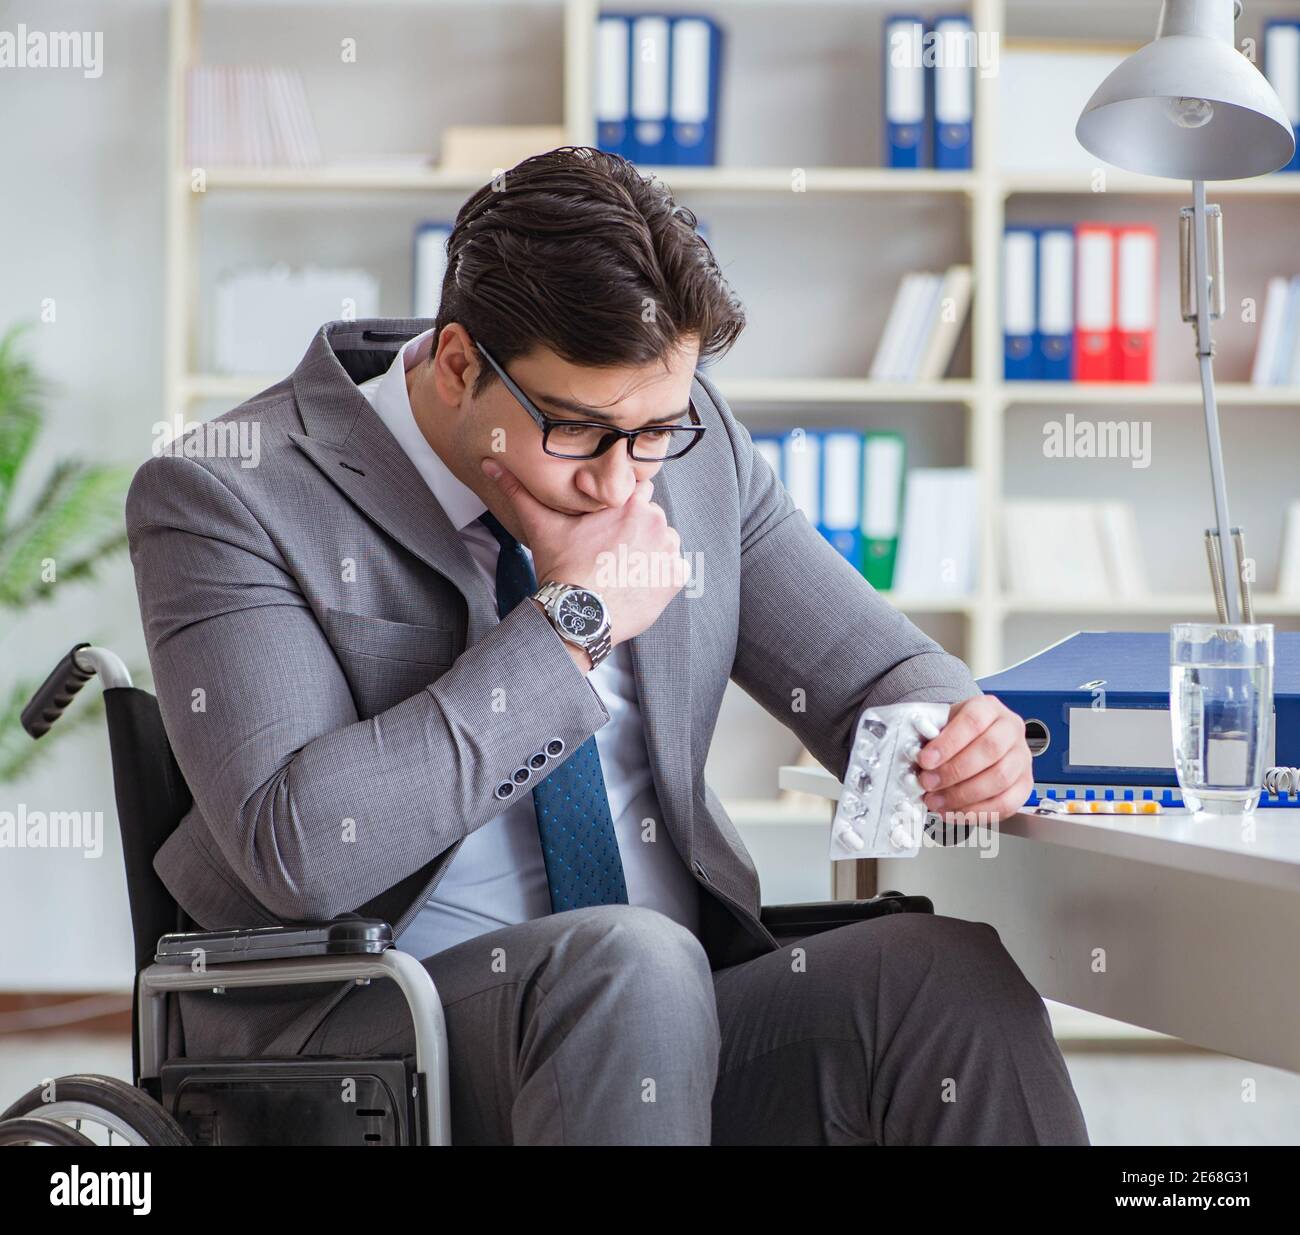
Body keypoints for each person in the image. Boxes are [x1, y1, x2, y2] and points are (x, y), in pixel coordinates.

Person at [125, 146, 1089, 1145]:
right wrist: (571, 622)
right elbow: (304, 847)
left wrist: (957, 727)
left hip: (671, 1007)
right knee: (630, 963)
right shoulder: (230, 494)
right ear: (458, 365)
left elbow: (876, 668)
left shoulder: (686, 443)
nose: (624, 484)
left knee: (941, 970)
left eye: (654, 432)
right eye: (580, 432)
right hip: (371, 1037)